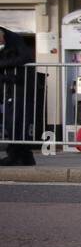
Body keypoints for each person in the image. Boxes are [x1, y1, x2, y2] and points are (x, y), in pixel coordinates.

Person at [0, 26, 38, 166]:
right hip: (10, 86)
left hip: (20, 87)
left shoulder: (15, 40)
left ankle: (16, 155)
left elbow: (26, 57)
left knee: (16, 123)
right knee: (14, 123)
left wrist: (2, 65)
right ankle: (25, 156)